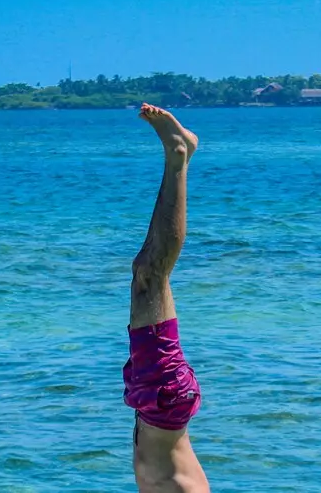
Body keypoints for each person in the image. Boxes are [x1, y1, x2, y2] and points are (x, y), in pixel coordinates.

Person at [123, 103, 210, 492]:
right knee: (150, 275)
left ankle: (179, 157)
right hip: (164, 400)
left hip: (157, 404)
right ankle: (178, 156)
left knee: (147, 275)